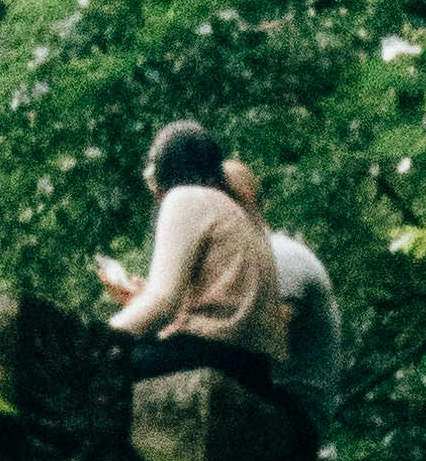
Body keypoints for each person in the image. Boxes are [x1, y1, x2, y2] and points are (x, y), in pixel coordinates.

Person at [94, 118, 287, 394]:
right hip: (256, 369)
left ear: (169, 163)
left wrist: (98, 339)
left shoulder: (185, 198)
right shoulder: (242, 214)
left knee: (92, 374)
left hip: (211, 355)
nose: (146, 173)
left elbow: (162, 303)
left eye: (152, 161)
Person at [222, 157, 340, 450]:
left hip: (296, 413)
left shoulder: (280, 255)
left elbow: (264, 336)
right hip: (267, 401)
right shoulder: (244, 264)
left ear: (243, 200)